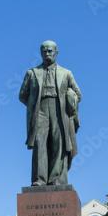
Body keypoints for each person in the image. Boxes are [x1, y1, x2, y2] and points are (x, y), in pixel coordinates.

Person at [19, 40, 82, 186]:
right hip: (40, 110)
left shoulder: (66, 73)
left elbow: (79, 94)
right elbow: (22, 95)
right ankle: (39, 180)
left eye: (50, 51)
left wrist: (70, 97)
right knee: (40, 142)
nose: (47, 53)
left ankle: (56, 179)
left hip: (60, 110)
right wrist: (33, 106)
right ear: (41, 53)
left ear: (56, 53)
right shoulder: (32, 73)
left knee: (58, 143)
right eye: (44, 51)